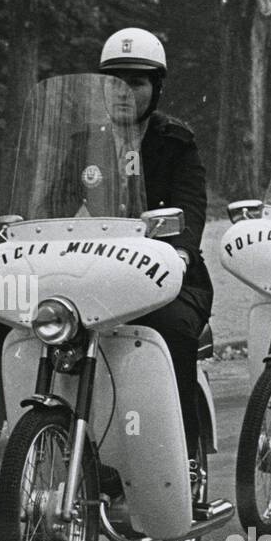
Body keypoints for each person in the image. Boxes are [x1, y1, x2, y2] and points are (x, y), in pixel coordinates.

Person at [98, 27, 215, 508]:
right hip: (102, 279)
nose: (125, 92)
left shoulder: (175, 141)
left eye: (138, 82)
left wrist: (180, 250)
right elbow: (54, 203)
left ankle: (182, 458)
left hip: (169, 279)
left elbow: (191, 208)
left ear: (156, 88)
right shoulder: (87, 142)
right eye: (115, 82)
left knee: (171, 331)